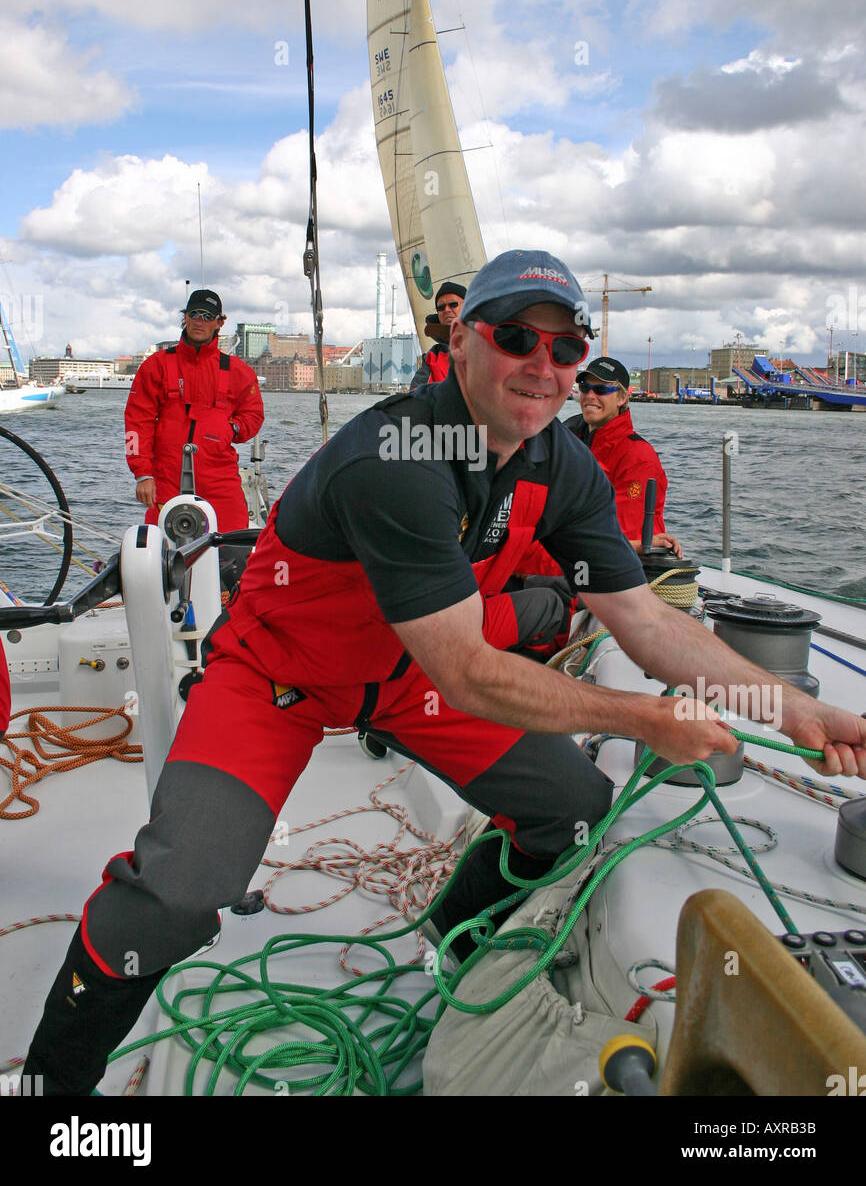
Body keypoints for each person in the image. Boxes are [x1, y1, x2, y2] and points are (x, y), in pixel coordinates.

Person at [24, 250, 866, 1096]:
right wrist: (642, 720)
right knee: (177, 894)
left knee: (570, 808)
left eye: (566, 348)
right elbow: (468, 674)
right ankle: (52, 1091)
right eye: (515, 337)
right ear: (460, 340)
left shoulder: (562, 465)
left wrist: (791, 710)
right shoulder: (397, 454)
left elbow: (645, 622)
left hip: (407, 679)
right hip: (280, 675)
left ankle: (451, 957)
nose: (542, 365)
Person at [124, 290, 264, 532]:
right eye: (195, 314)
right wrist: (143, 474)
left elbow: (254, 415)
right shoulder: (157, 365)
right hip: (166, 478)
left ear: (219, 323)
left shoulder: (238, 372)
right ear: (185, 317)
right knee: (162, 544)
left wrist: (231, 429)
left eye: (208, 316)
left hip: (219, 477)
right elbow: (137, 422)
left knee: (232, 540)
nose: (200, 321)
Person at [564, 355, 682, 556]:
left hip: (616, 565)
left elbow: (625, 534)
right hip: (573, 554)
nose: (590, 395)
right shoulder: (570, 440)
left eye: (601, 389)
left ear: (622, 398)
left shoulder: (638, 456)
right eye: (585, 388)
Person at [409, 281, 466, 389]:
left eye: (453, 304)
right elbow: (415, 394)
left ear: (468, 306)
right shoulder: (432, 356)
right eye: (441, 307)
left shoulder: (488, 346)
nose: (447, 310)